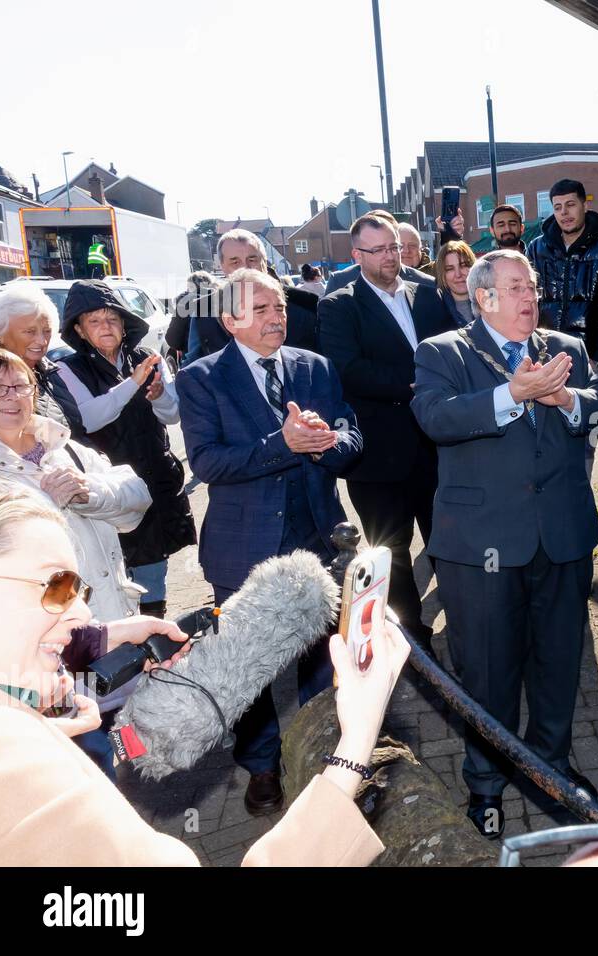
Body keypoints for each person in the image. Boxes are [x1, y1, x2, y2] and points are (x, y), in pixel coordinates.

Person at [0, 481, 410, 866]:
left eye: (77, 591)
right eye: (53, 584)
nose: (81, 611)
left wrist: (92, 653)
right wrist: (356, 741)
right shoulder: (17, 764)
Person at [411, 249, 598, 839]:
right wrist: (513, 394)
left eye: (532, 286)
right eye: (516, 287)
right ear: (483, 297)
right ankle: (485, 784)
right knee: (487, 673)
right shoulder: (443, 352)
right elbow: (436, 418)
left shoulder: (567, 349)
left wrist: (567, 399)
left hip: (561, 539)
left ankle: (552, 770)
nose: (531, 296)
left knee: (558, 667)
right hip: (481, 549)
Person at [178, 268, 363, 815]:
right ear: (230, 320)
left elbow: (352, 437)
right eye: (259, 311)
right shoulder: (200, 379)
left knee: (319, 661)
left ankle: (324, 756)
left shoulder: (315, 367)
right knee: (250, 668)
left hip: (316, 537)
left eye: (279, 307)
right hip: (243, 546)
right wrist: (281, 443)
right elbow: (208, 462)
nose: (276, 318)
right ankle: (261, 766)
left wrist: (329, 443)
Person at [0, 348, 153, 777]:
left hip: (114, 629)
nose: (10, 396)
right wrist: (47, 502)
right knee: (77, 769)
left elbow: (139, 499)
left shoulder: (69, 448)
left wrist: (90, 493)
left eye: (19, 384)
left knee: (128, 754)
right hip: (47, 658)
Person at [318, 214, 453, 648]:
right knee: (392, 555)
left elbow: (453, 347)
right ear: (356, 255)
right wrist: (416, 383)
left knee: (450, 540)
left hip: (437, 448)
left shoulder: (428, 292)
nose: (391, 257)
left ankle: (469, 622)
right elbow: (349, 369)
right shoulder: (338, 306)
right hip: (378, 457)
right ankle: (412, 641)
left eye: (395, 247)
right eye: (379, 251)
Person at [56, 280, 196, 620]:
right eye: (94, 321)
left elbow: (172, 414)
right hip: (108, 488)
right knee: (112, 569)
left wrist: (159, 394)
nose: (106, 327)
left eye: (112, 319)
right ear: (79, 329)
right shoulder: (67, 370)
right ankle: (122, 643)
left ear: (124, 323)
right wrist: (133, 383)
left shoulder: (148, 358)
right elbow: (90, 418)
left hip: (154, 477)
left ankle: (154, 634)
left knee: (153, 567)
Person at [526, 178, 598, 370]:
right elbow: (526, 300)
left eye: (570, 205)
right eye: (558, 207)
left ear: (585, 206)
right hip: (544, 357)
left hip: (589, 358)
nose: (564, 213)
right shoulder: (537, 248)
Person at [188, 231, 319, 357]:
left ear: (264, 261)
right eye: (235, 262)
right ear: (222, 266)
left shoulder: (304, 303)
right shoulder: (204, 309)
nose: (245, 267)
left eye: (252, 259)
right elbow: (193, 363)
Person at [0, 282, 82, 433]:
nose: (42, 341)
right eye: (30, 331)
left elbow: (76, 431)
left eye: (47, 331)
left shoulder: (48, 372)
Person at [324, 211, 431, 294]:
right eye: (378, 249)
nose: (388, 255)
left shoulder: (426, 283)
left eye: (393, 246)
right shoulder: (340, 281)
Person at [166, 270, 219, 364]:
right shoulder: (221, 301)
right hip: (221, 360)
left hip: (193, 363)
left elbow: (173, 340)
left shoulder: (185, 305)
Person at [434, 240, 478, 328]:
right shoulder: (434, 308)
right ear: (442, 274)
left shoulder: (490, 298)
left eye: (463, 265)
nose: (458, 274)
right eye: (450, 269)